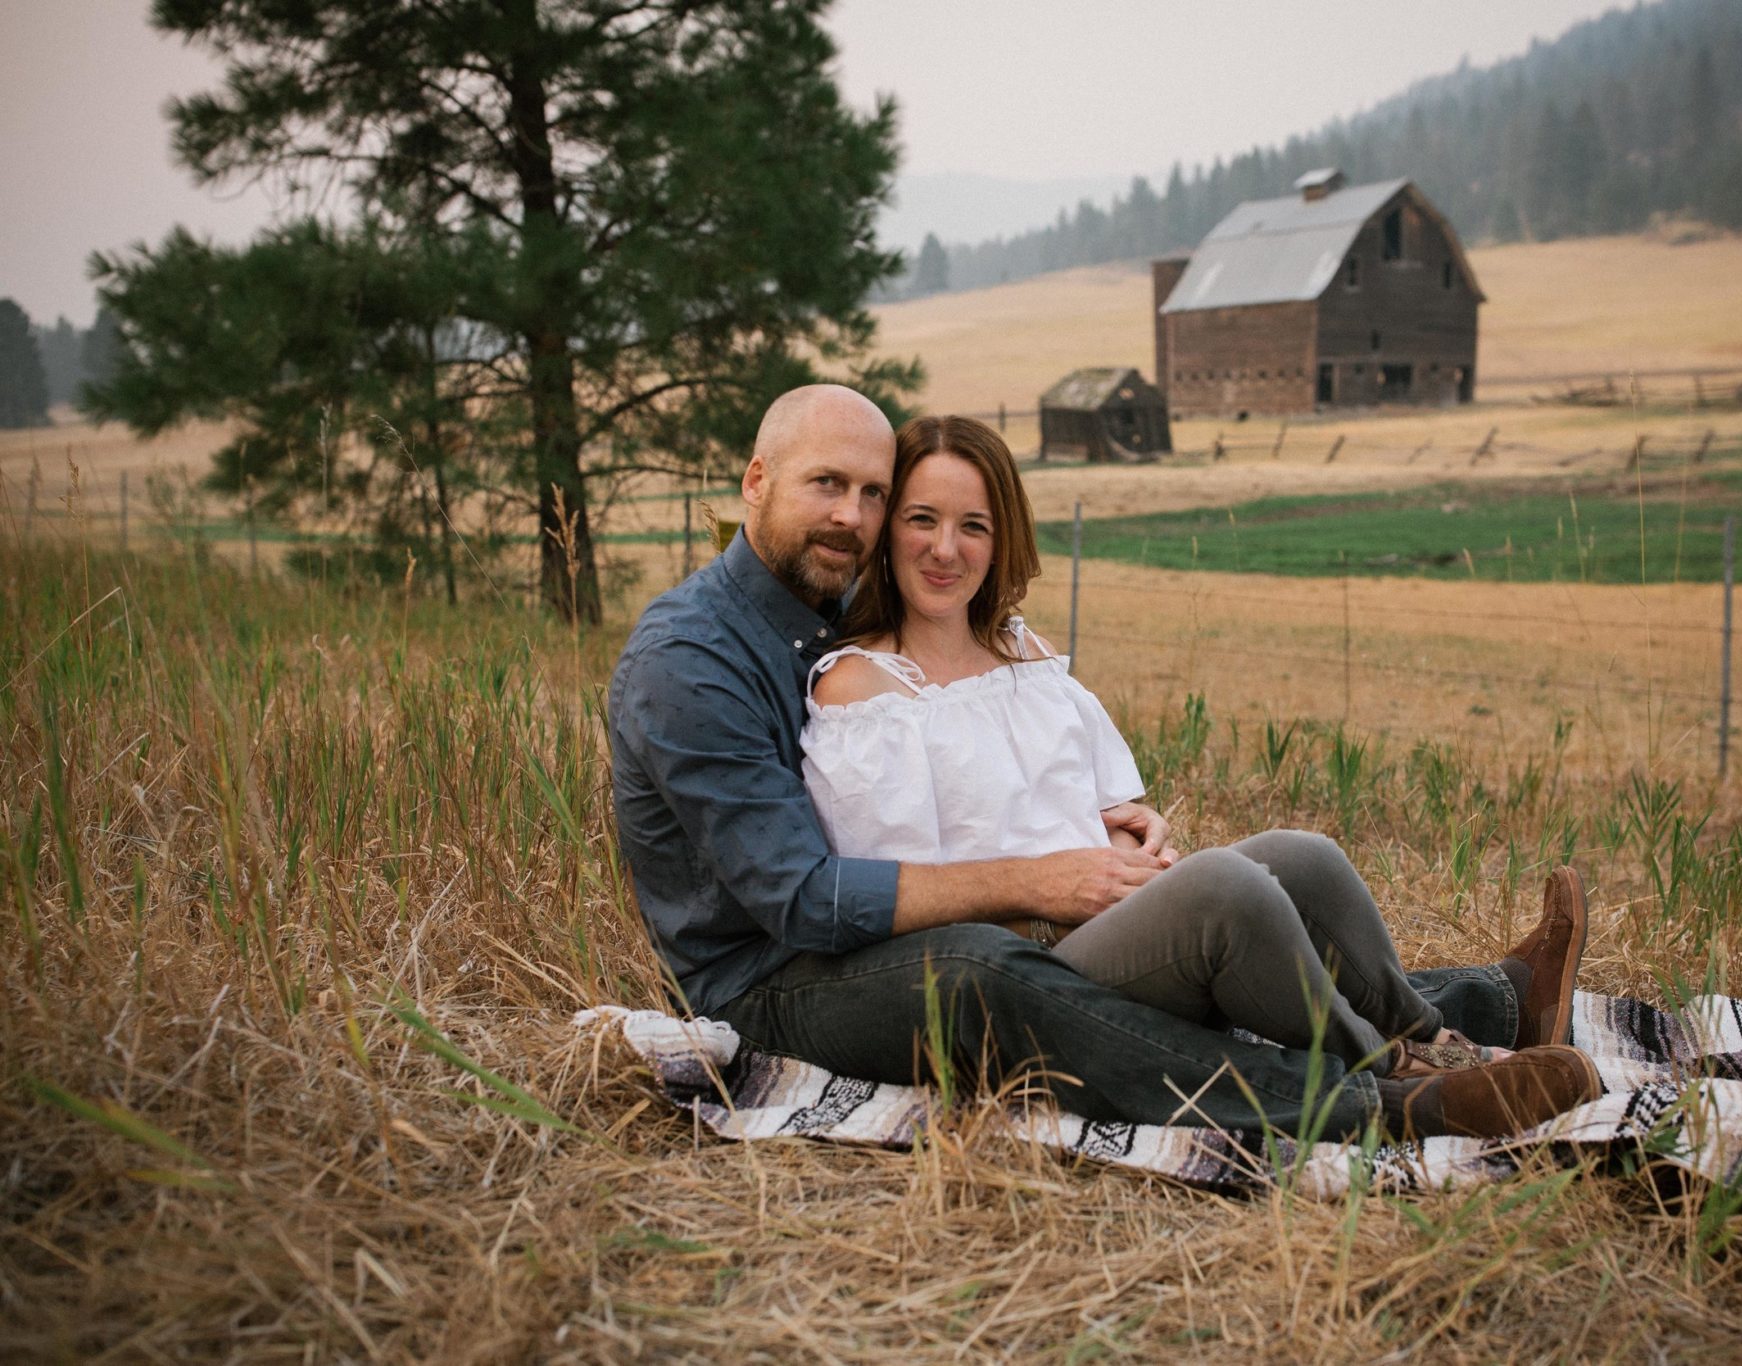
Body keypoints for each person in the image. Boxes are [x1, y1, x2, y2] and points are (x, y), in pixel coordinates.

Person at [608, 385, 1594, 1143]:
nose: (855, 518)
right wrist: (1045, 880)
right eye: (829, 485)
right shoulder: (691, 662)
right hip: (776, 979)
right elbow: (802, 899)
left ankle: (1489, 1006)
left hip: (910, 929)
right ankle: (1380, 1103)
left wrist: (1109, 821)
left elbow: (991, 719)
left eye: (873, 494)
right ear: (755, 481)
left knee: (1286, 860)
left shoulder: (829, 594)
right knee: (984, 966)